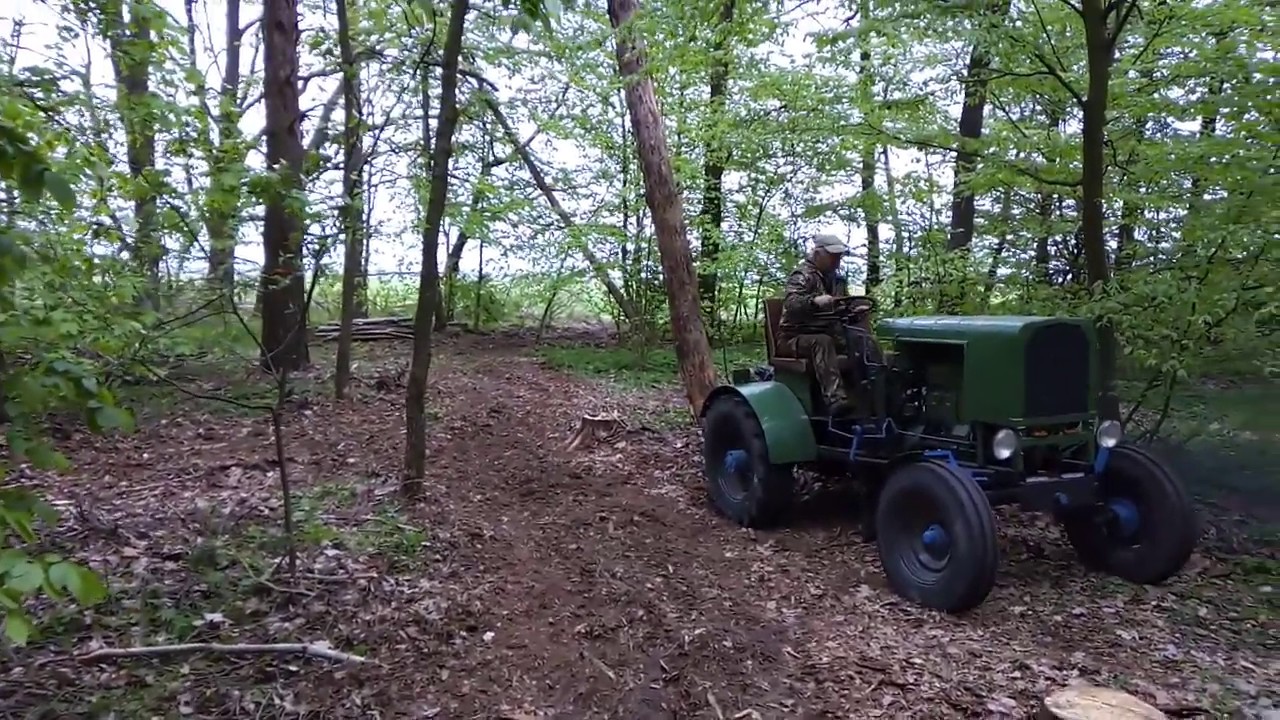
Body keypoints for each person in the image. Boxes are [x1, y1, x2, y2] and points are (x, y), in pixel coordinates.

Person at [776, 234, 858, 417]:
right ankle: (835, 400)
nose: (837, 260)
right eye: (833, 255)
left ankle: (876, 396)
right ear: (818, 253)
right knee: (822, 342)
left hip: (831, 334)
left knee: (861, 341)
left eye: (839, 256)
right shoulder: (802, 276)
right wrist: (814, 301)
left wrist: (853, 308)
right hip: (793, 338)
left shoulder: (837, 281)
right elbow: (792, 303)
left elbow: (843, 305)